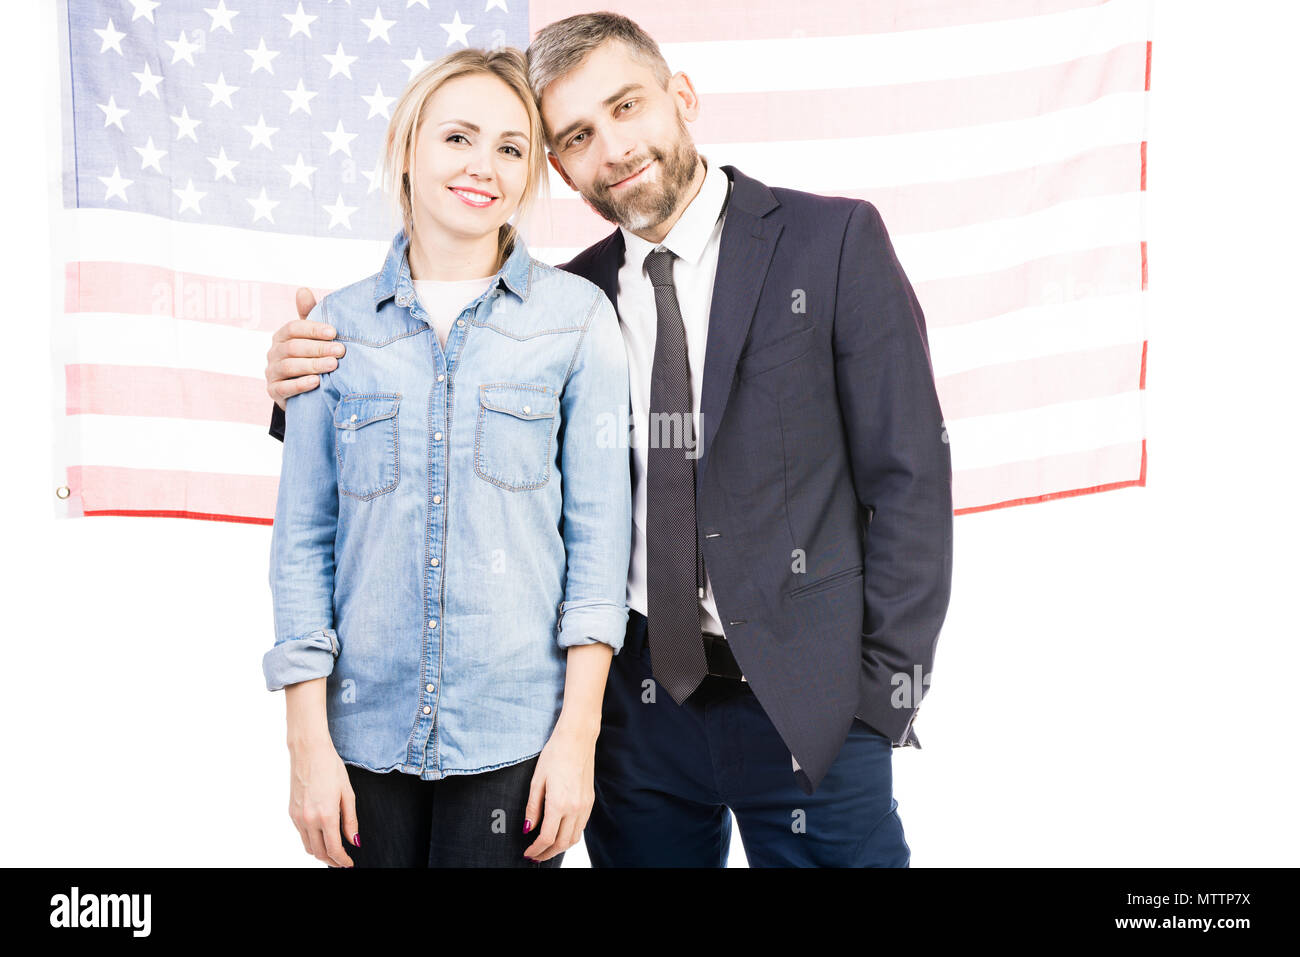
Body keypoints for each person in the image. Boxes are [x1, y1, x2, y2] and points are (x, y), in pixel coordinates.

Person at [267, 13, 953, 867]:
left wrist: (877, 695)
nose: (614, 148)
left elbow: (912, 474)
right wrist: (298, 383)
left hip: (809, 708)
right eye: (579, 135)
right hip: (635, 714)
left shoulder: (833, 241)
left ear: (682, 96)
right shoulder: (570, 303)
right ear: (559, 165)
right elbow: (449, 413)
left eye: (627, 106)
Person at [262, 46, 631, 868]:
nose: (483, 166)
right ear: (408, 145)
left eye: (510, 147)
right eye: (458, 137)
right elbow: (302, 546)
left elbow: (599, 549)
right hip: (362, 742)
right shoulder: (335, 328)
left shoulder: (576, 322)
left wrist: (577, 740)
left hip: (516, 743)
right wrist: (307, 745)